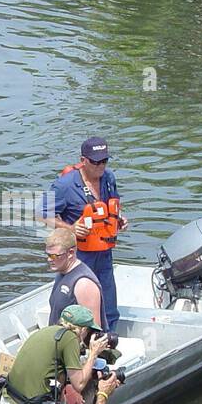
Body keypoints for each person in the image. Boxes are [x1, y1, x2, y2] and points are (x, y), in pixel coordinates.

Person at [45, 137, 127, 332]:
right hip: (78, 255)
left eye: (104, 161)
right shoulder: (64, 186)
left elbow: (111, 208)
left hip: (104, 253)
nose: (101, 166)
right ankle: (57, 337)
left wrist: (120, 220)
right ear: (83, 160)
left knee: (108, 305)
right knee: (67, 300)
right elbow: (42, 214)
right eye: (96, 162)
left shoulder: (109, 179)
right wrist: (70, 228)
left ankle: (106, 343)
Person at [45, 226, 104, 329]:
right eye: (48, 255)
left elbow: (94, 329)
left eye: (54, 256)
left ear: (70, 253)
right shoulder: (62, 272)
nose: (49, 259)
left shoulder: (83, 284)